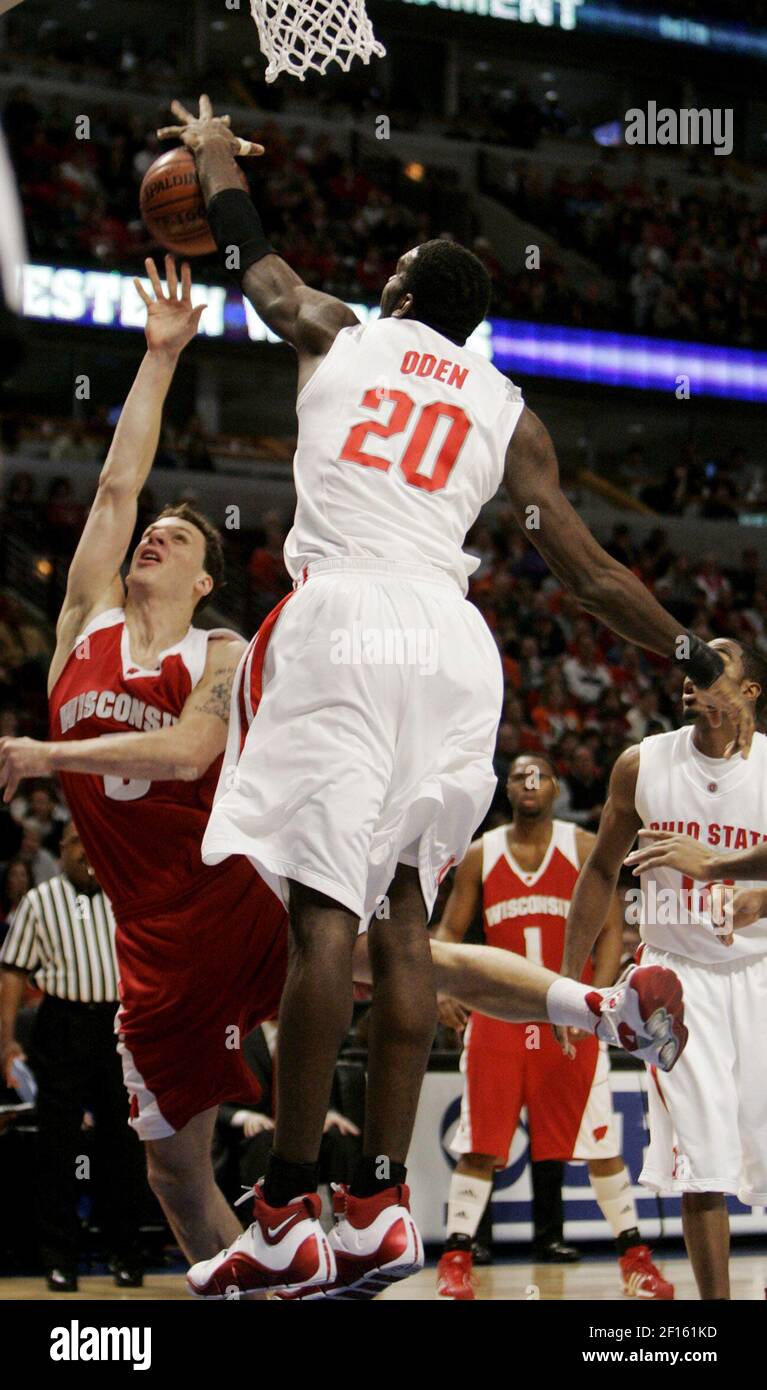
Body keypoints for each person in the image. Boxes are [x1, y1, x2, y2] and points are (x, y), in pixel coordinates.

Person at [156, 95, 745, 1301]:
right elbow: (583, 572)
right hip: (455, 644)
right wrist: (684, 647)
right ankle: (377, 1202)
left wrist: (212, 155)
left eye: (389, 272)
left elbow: (251, 270)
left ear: (404, 291)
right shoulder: (504, 410)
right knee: (403, 915)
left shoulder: (343, 332)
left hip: (347, 621)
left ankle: (283, 1210)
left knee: (324, 920)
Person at [0, 258, 287, 1266]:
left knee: (366, 970)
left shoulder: (219, 652)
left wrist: (46, 750)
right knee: (171, 1169)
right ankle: (258, 1282)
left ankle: (588, 1006)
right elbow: (120, 478)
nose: (152, 536)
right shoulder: (81, 619)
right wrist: (159, 353)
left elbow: (189, 750)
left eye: (177, 537)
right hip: (149, 938)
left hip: (235, 894)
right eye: (150, 533)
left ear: (209, 577)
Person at [561, 637, 767, 1301]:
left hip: (760, 968)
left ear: (748, 693)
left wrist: (744, 891)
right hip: (676, 981)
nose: (692, 679)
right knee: (700, 1166)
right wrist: (568, 984)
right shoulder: (640, 764)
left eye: (714, 670)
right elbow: (598, 870)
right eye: (689, 668)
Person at [433, 754, 672, 1301]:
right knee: (480, 1140)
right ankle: (456, 1261)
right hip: (497, 1013)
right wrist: (444, 984)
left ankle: (636, 1261)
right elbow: (448, 927)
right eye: (519, 775)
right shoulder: (479, 854)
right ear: (507, 788)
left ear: (557, 785)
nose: (531, 782)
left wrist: (600, 1000)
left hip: (567, 1013)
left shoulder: (583, 845)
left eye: (539, 773)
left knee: (599, 1141)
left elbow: (613, 928)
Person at [0, 822, 146, 1291]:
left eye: (96, 844)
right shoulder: (41, 901)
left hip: (117, 1025)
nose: (89, 854)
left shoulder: (124, 896)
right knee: (58, 1145)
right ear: (62, 850)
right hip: (62, 1025)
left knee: (122, 1145)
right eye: (80, 844)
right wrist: (6, 1041)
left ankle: (124, 1251)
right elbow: (13, 972)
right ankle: (59, 1257)